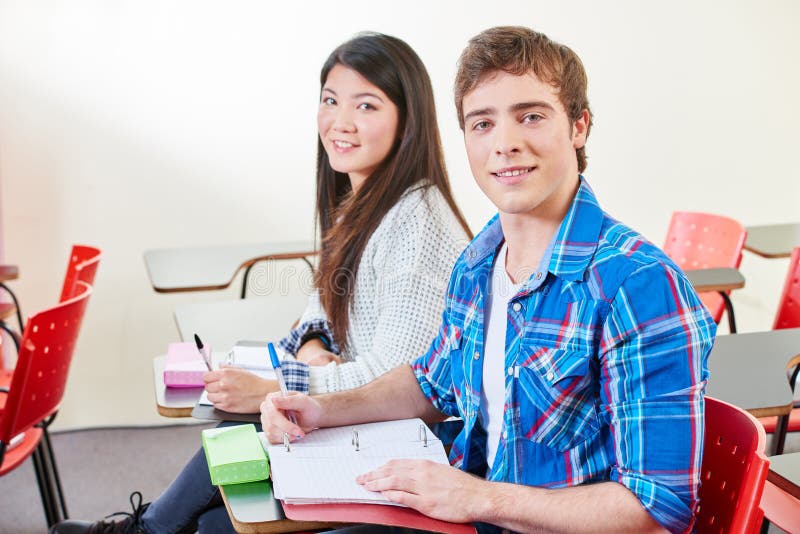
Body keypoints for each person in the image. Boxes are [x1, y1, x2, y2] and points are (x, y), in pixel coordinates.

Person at [261, 26, 716, 534]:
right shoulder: (480, 261)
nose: (505, 144)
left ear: (579, 126)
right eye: (482, 124)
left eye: (531, 117)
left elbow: (655, 511)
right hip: (473, 516)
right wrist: (322, 410)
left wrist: (477, 498)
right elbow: (431, 384)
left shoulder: (639, 284)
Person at [51, 32, 471, 534]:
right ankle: (143, 530)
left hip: (404, 440)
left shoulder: (416, 223)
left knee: (229, 475)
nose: (340, 122)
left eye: (366, 105)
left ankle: (141, 531)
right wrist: (314, 349)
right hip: (369, 424)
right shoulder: (367, 202)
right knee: (222, 485)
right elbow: (323, 307)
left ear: (408, 122)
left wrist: (278, 386)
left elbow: (398, 381)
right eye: (331, 101)